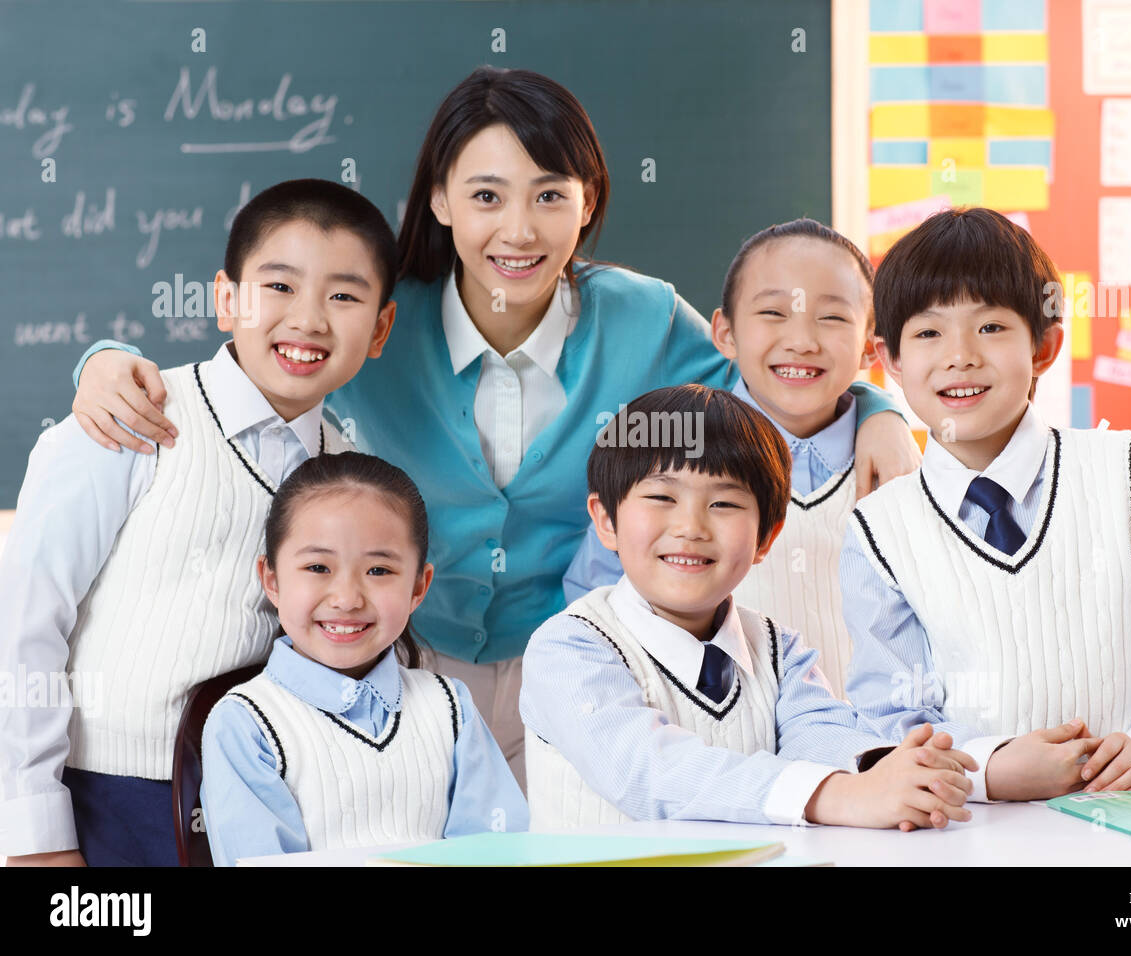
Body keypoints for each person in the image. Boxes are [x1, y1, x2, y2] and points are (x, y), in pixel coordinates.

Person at [65, 67, 921, 785]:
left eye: (551, 195)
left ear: (588, 204)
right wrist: (100, 359)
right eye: (485, 195)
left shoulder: (644, 319)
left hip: (588, 665)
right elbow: (251, 354)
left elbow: (775, 379)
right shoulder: (375, 317)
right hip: (394, 667)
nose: (519, 230)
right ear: (439, 200)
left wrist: (880, 409)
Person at [0, 180, 399, 865]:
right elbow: (23, 626)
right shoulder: (127, 420)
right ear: (225, 300)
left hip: (273, 812)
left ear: (381, 329)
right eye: (278, 286)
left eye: (343, 295)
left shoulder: (356, 474)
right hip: (108, 804)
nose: (308, 320)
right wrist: (33, 833)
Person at [842, 207, 1131, 802]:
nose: (959, 355)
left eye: (990, 327)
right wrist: (988, 768)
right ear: (890, 360)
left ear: (1044, 347)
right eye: (928, 332)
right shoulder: (879, 530)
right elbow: (891, 710)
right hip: (975, 835)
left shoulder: (1125, 472)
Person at [521, 385, 975, 830]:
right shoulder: (569, 648)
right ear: (606, 520)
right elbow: (648, 771)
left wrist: (887, 767)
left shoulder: (778, 649)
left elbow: (816, 733)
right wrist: (839, 795)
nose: (690, 526)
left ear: (766, 538)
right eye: (662, 497)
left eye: (723, 503)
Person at [564, 218, 880, 699]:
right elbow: (593, 608)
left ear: (870, 346)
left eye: (833, 318)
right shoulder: (659, 447)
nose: (801, 341)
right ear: (725, 333)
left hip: (874, 752)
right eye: (773, 313)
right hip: (706, 745)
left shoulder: (897, 468)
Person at [200, 452, 526, 865]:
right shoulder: (245, 724)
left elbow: (496, 852)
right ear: (272, 579)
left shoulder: (450, 707)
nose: (347, 598)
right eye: (318, 566)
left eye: (379, 571)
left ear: (418, 587)